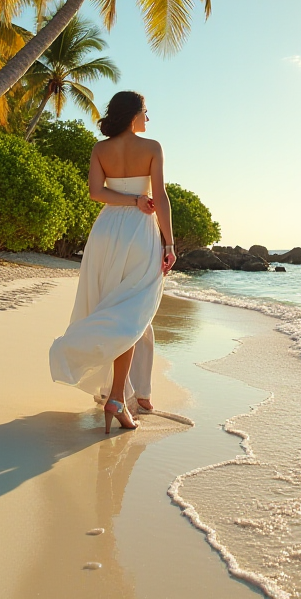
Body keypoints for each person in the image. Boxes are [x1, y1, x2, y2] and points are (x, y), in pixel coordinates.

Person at [48, 91, 176, 432]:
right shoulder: (152, 147)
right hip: (139, 232)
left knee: (123, 311)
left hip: (106, 230)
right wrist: (169, 242)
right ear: (134, 114)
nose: (148, 119)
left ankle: (130, 393)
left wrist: (131, 199)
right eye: (145, 112)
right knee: (131, 314)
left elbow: (97, 193)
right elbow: (160, 196)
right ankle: (117, 396)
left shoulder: (100, 149)